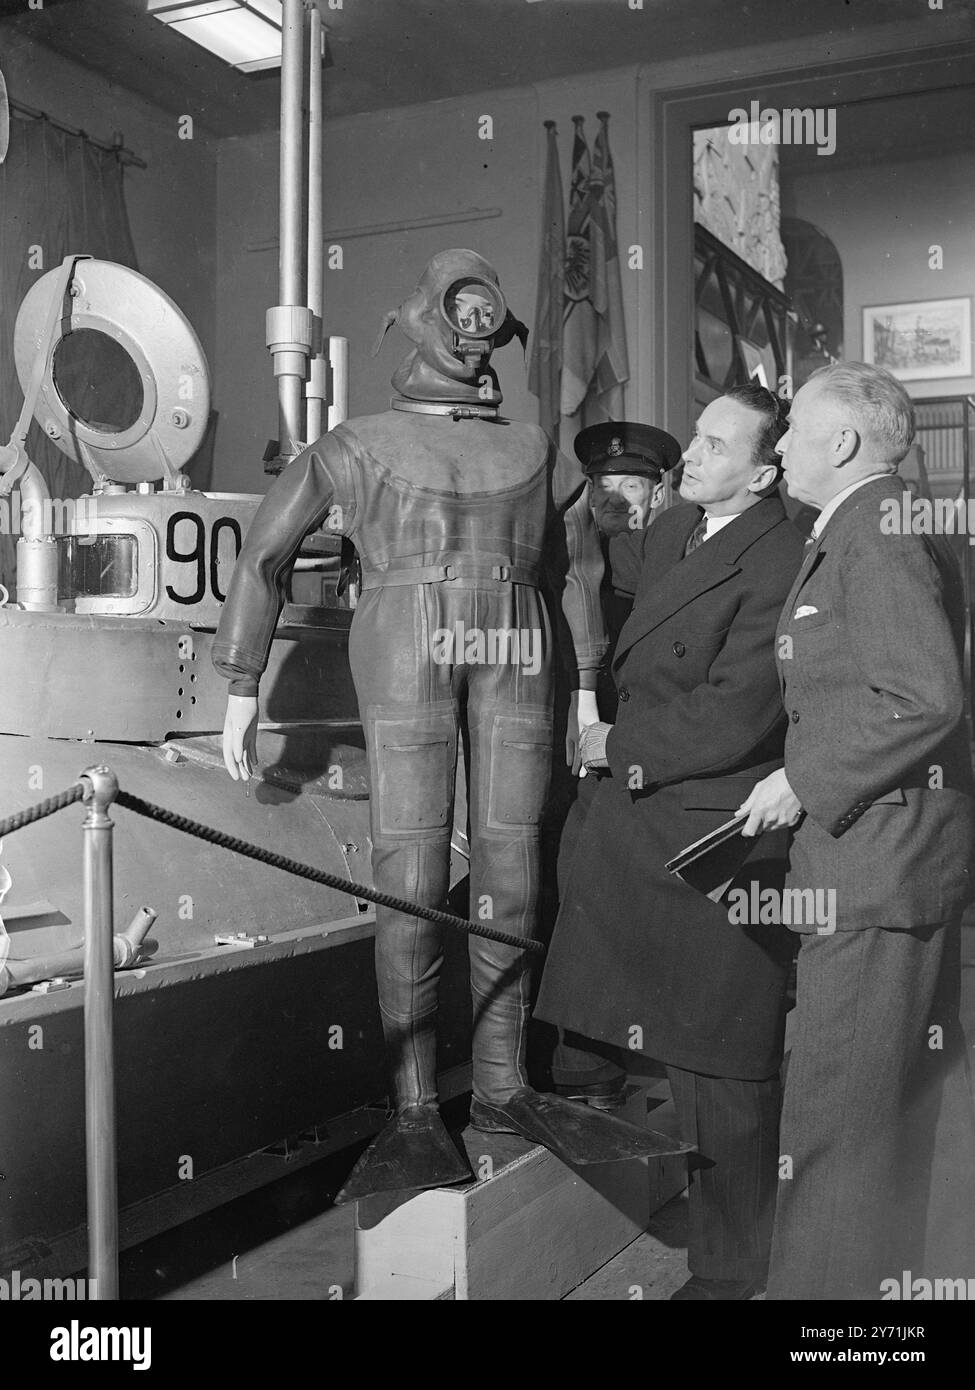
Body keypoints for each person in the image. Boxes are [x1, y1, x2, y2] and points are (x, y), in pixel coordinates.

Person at [212, 249, 677, 1204]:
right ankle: (416, 1105)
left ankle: (503, 1088)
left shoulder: (531, 445)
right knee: (413, 868)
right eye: (460, 309)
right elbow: (263, 556)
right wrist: (239, 679)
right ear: (422, 319)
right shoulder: (357, 441)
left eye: (485, 312)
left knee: (512, 866)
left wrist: (588, 684)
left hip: (504, 638)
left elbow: (575, 566)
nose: (475, 327)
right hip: (422, 635)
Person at [535, 382, 805, 1300]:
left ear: (764, 471)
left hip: (710, 830)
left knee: (720, 1072)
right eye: (693, 438)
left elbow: (736, 715)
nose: (690, 454)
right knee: (642, 1037)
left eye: (713, 446)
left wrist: (618, 743)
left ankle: (735, 1276)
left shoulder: (778, 557)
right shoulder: (679, 529)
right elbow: (598, 554)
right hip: (638, 824)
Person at [739, 361, 975, 1300]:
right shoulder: (878, 522)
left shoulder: (873, 530)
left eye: (792, 427)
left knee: (835, 1130)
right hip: (888, 865)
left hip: (872, 871)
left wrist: (804, 778)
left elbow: (924, 696)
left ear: (842, 444)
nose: (781, 443)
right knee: (880, 1123)